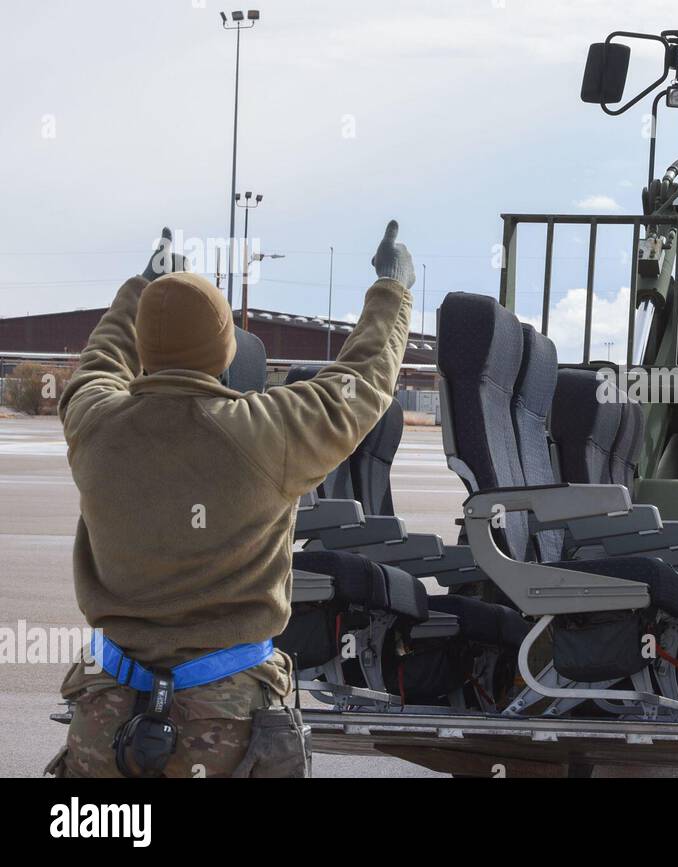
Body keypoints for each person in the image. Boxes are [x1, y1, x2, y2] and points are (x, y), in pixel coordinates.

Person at [44, 221, 415, 778]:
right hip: (228, 721)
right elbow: (362, 381)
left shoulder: (95, 423)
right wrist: (392, 288)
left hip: (108, 716)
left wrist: (141, 287)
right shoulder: (267, 431)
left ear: (144, 348)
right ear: (225, 349)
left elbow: (100, 360)